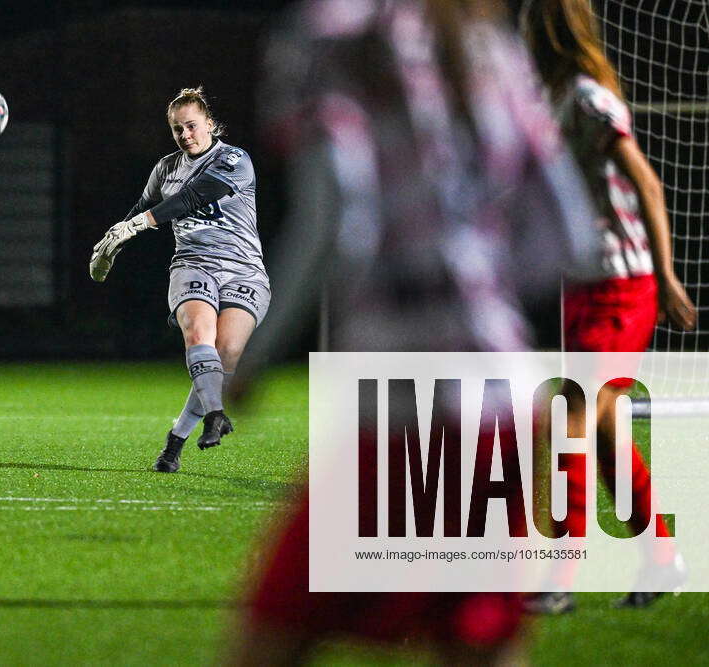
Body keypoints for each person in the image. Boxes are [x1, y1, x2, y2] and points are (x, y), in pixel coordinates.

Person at [225, 0, 600, 663]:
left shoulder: (330, 37)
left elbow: (342, 219)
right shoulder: (489, 46)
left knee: (270, 638)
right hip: (505, 397)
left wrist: (252, 355)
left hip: (404, 399)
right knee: (475, 643)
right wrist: (474, 281)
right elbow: (569, 236)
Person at [520, 0, 695, 614]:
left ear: (547, 30)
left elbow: (646, 182)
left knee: (566, 419)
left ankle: (558, 579)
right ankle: (664, 557)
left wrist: (668, 276)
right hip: (583, 290)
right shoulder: (548, 102)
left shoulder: (590, 100)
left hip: (622, 290)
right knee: (605, 433)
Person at [89, 86, 270, 473]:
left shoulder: (235, 159)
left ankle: (176, 440)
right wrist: (113, 239)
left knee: (226, 353)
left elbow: (193, 198)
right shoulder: (166, 169)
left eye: (191, 126)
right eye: (177, 129)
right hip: (193, 263)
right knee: (197, 334)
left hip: (244, 269)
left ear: (209, 123)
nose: (185, 135)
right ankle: (216, 414)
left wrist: (139, 223)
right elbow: (143, 208)